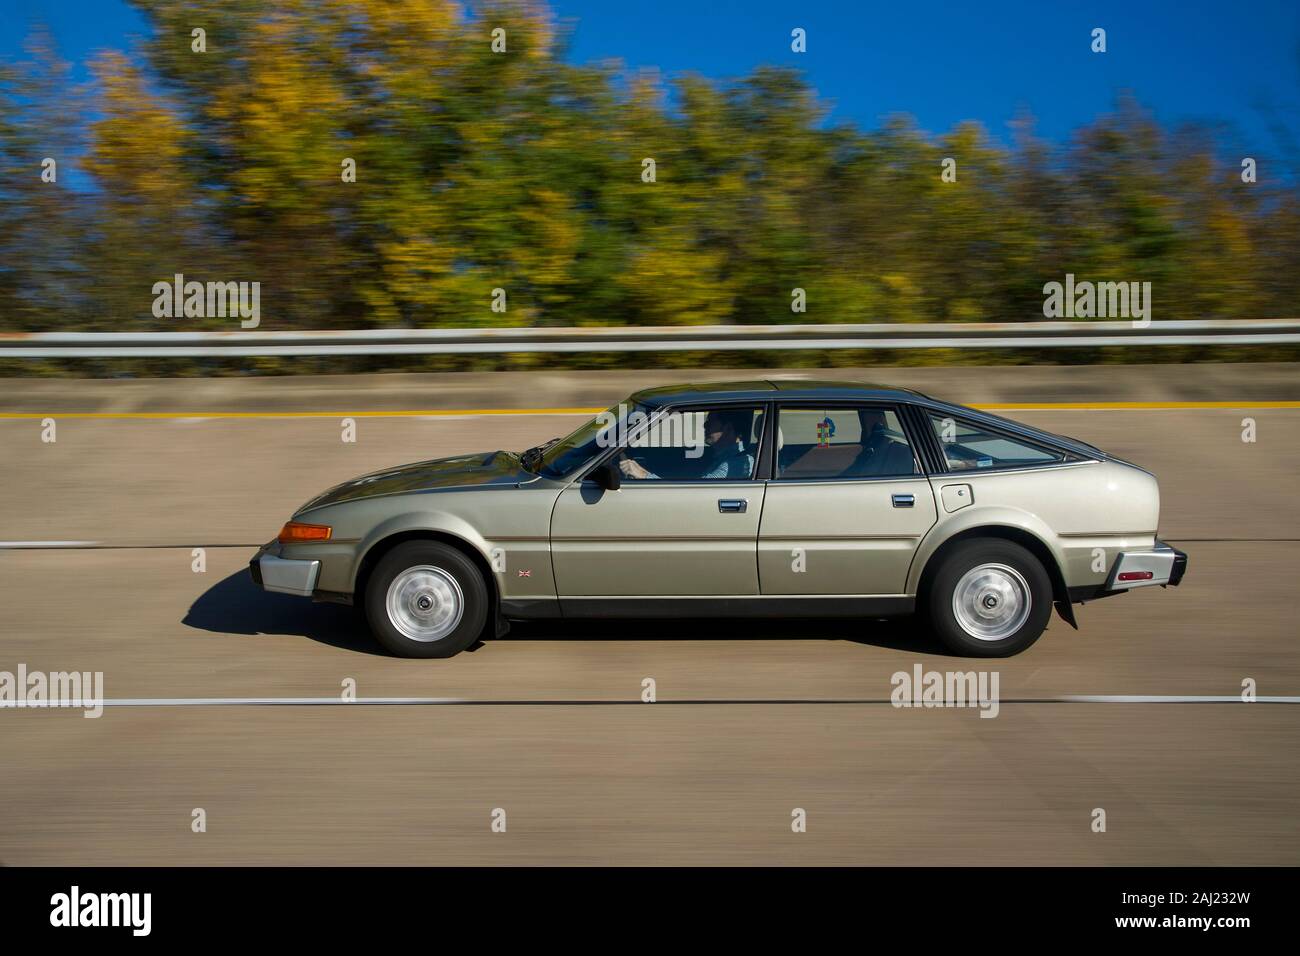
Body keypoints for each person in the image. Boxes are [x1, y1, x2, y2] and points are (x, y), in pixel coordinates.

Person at [618, 409, 754, 480]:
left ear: (728, 429)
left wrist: (643, 475)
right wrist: (643, 472)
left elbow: (696, 493)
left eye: (711, 421)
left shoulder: (732, 465)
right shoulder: (724, 458)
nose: (705, 425)